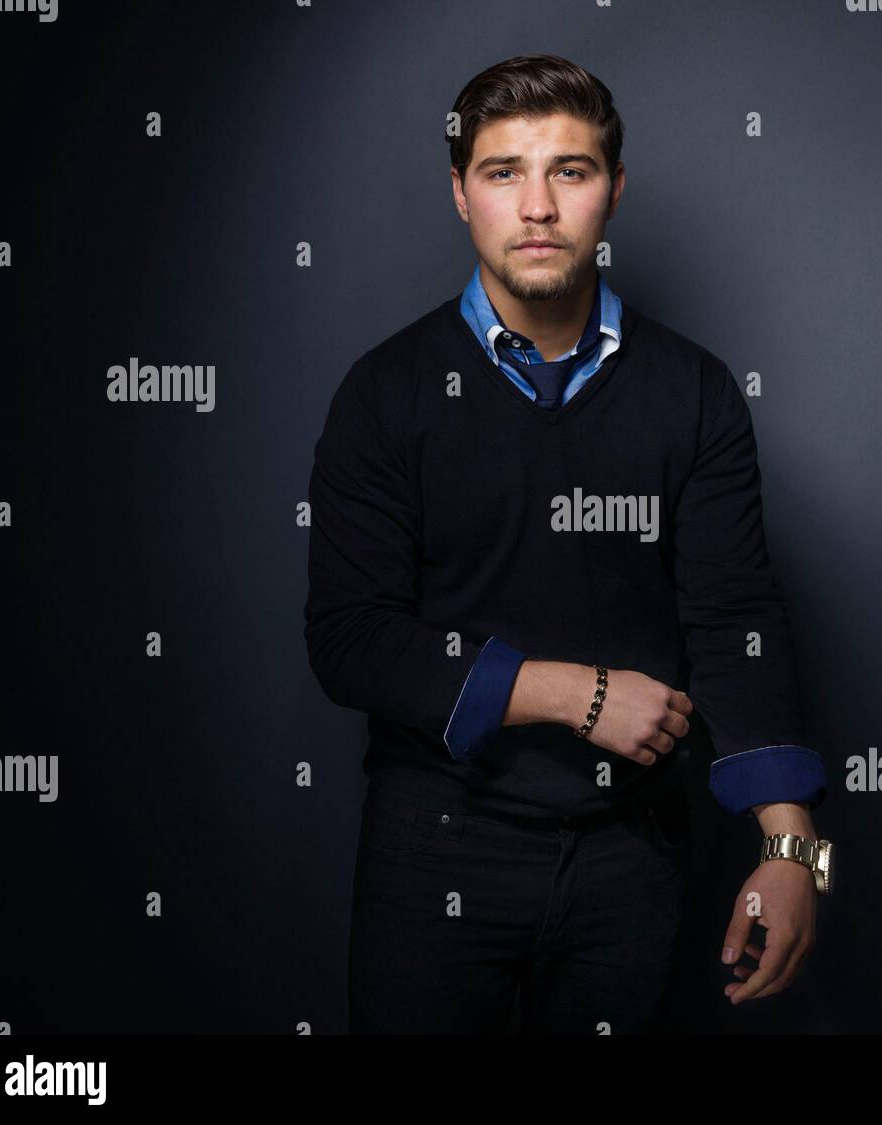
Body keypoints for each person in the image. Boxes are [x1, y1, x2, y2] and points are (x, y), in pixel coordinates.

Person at [304, 53, 831, 1035]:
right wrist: (573, 693)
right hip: (435, 846)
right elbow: (349, 640)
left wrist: (792, 850)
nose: (537, 206)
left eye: (571, 171)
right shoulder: (385, 393)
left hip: (635, 853)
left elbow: (735, 622)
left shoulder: (694, 391)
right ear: (461, 193)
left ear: (614, 191)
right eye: (504, 172)